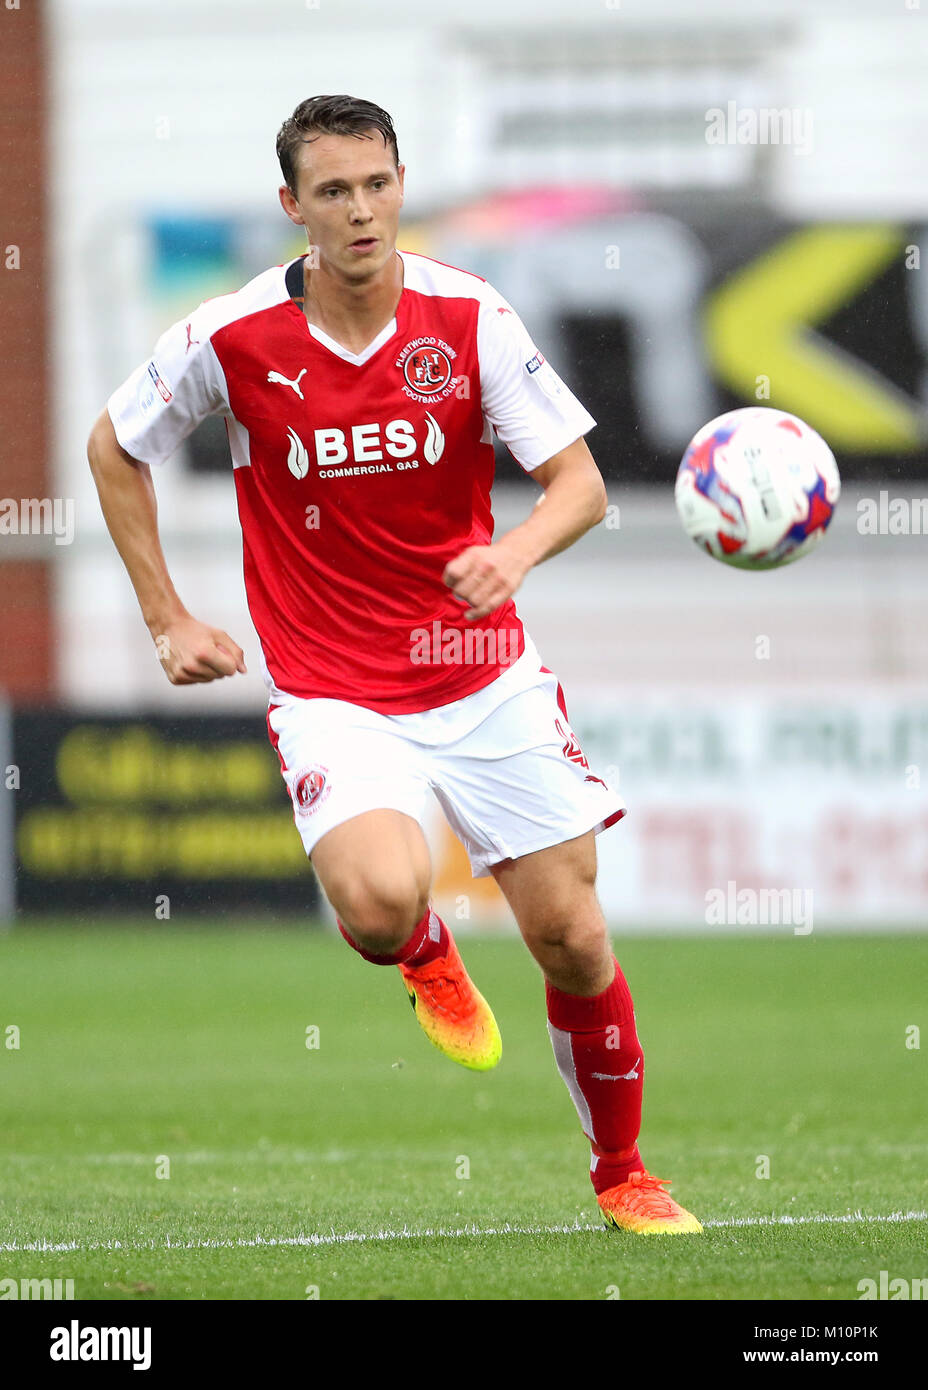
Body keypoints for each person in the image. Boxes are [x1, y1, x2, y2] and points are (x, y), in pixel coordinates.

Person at [88, 94, 701, 1236]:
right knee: (375, 903)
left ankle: (623, 1173)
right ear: (293, 207)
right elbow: (113, 447)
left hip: (480, 672)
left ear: (400, 184)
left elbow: (579, 484)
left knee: (570, 934)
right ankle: (423, 953)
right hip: (332, 687)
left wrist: (510, 554)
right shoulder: (230, 338)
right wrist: (167, 615)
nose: (359, 210)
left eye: (375, 184)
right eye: (332, 191)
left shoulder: (469, 317)